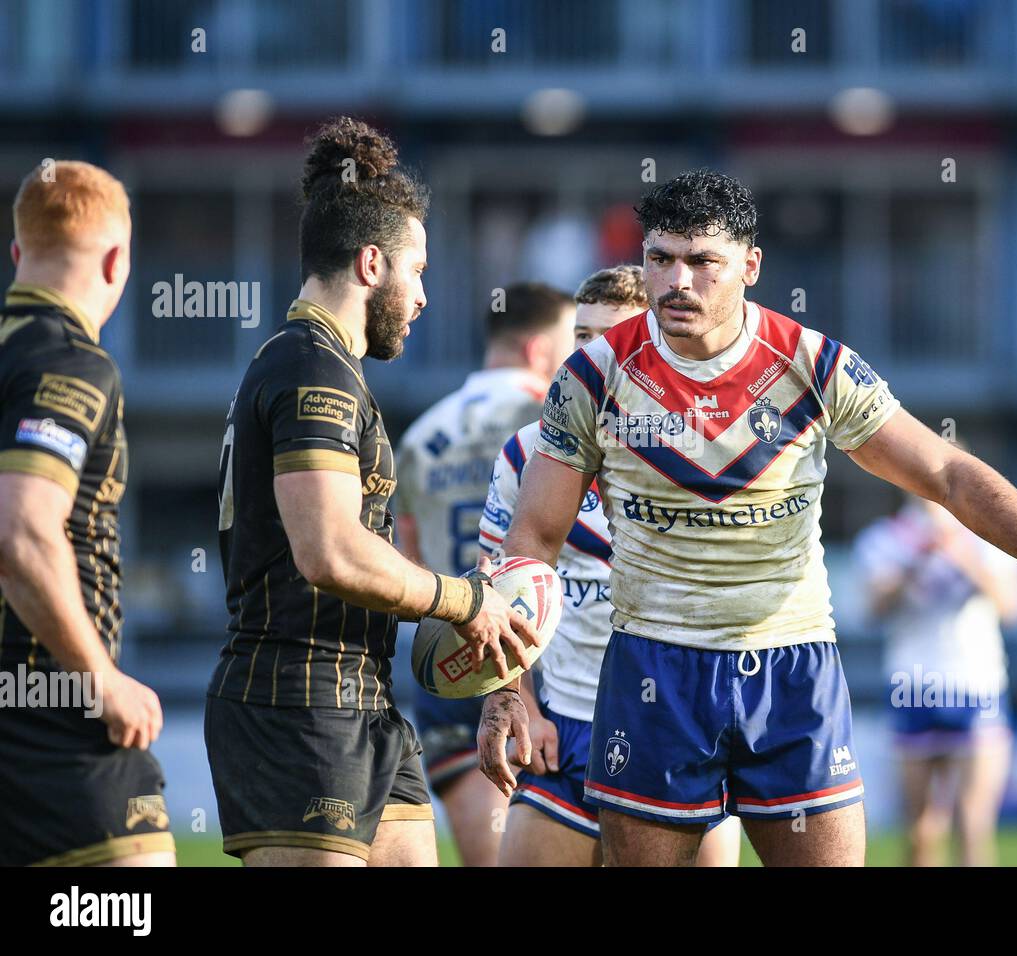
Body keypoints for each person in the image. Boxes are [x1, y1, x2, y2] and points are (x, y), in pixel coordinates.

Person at [481, 169, 1017, 867]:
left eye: (702, 262)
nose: (677, 282)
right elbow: (533, 540)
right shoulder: (592, 377)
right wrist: (508, 688)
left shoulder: (811, 365)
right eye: (660, 259)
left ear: (749, 266)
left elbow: (947, 474)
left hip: (792, 667)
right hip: (655, 667)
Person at [204, 117, 539, 867]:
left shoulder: (327, 367)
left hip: (366, 698)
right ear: (370, 263)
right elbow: (327, 550)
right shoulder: (309, 366)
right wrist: (462, 600)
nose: (422, 295)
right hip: (292, 696)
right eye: (415, 270)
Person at [476, 265, 741, 866]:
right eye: (581, 336)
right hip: (566, 730)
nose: (593, 352)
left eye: (611, 337)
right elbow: (498, 591)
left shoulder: (707, 450)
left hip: (682, 729)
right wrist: (524, 702)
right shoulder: (528, 450)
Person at [0, 160, 174, 866]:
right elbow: (21, 532)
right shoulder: (69, 362)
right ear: (115, 260)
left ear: (19, 254)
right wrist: (101, 680)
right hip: (54, 722)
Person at [393, 280, 573, 866]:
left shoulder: (420, 436)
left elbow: (406, 555)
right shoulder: (557, 419)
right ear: (538, 351)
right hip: (540, 656)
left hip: (450, 657)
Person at [855, 494, 1017, 866]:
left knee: (973, 825)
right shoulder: (885, 538)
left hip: (976, 685)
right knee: (920, 828)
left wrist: (963, 556)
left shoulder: (992, 537)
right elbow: (871, 610)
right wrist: (917, 559)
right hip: (911, 687)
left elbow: (1011, 607)